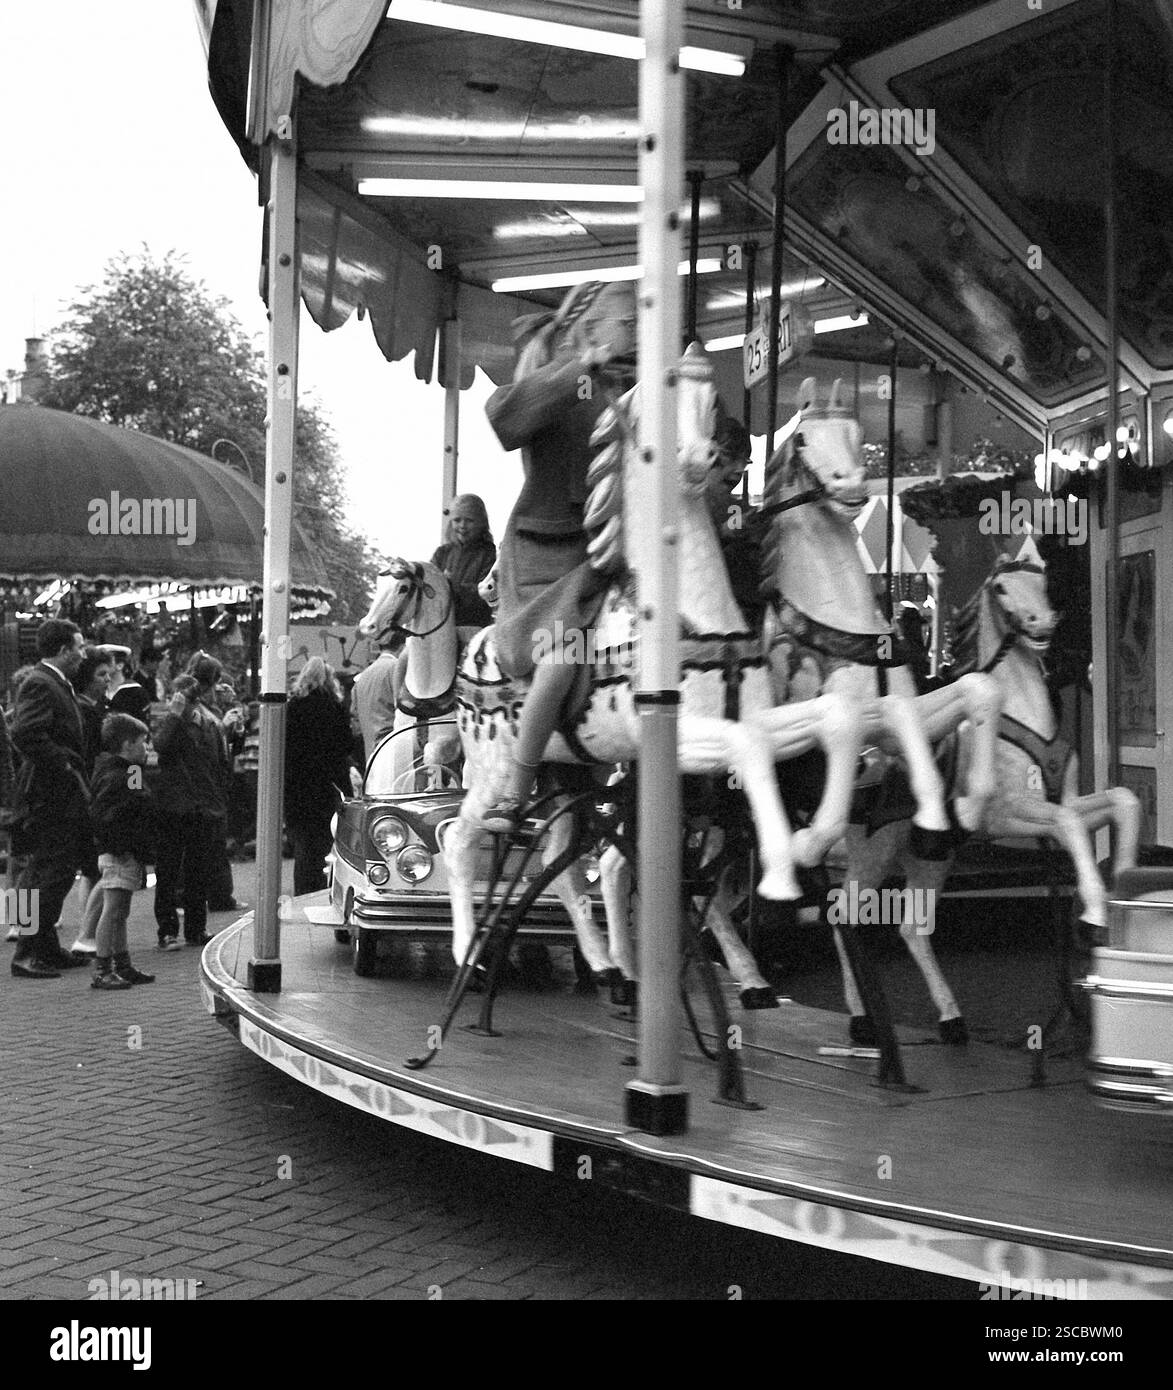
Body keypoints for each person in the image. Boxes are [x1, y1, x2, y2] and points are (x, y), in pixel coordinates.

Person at [480, 278, 637, 832]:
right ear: (593, 327)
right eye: (627, 321)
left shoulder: (617, 390)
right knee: (564, 651)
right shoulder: (568, 380)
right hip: (544, 553)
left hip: (599, 553)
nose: (635, 330)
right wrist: (580, 366)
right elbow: (505, 418)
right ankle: (516, 788)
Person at [8, 619, 91, 978]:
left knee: (53, 872)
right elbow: (25, 733)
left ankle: (44, 948)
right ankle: (27, 953)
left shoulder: (53, 683)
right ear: (62, 650)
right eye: (80, 647)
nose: (83, 654)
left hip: (55, 791)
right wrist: (64, 763)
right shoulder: (40, 683)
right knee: (40, 873)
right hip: (48, 793)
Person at [152, 655, 231, 950]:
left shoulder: (209, 720)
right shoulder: (180, 715)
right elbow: (155, 749)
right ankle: (23, 931)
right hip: (179, 804)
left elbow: (220, 763)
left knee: (193, 871)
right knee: (172, 871)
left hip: (197, 804)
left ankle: (26, 935)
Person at [88, 713, 157, 989]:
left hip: (127, 849)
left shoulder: (128, 771)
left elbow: (140, 801)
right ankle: (103, 968)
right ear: (127, 744)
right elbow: (110, 815)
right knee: (113, 909)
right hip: (120, 851)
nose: (147, 748)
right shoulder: (118, 774)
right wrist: (120, 846)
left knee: (120, 911)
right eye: (143, 742)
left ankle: (122, 964)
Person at [284, 657, 354, 896]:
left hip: (296, 787)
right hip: (325, 786)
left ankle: (302, 892)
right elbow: (343, 748)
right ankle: (322, 892)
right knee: (327, 842)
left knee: (303, 846)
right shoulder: (334, 708)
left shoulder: (292, 707)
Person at [67, 646, 116, 958]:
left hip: (22, 797)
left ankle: (21, 928)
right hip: (28, 799)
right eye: (102, 674)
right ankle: (25, 929)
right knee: (31, 871)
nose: (108, 679)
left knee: (25, 869)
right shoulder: (86, 713)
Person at [704, 415, 766, 630]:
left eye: (745, 462)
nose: (740, 469)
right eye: (731, 458)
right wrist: (722, 532)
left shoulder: (738, 508)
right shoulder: (688, 505)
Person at [430, 494, 497, 629]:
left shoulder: (488, 553)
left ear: (481, 523)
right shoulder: (442, 553)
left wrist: (450, 585)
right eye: (457, 520)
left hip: (473, 626)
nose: (462, 526)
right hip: (440, 626)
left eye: (469, 520)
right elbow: (428, 586)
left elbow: (485, 592)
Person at [353, 634, 404, 765]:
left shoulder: (363, 675)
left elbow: (354, 713)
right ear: (403, 647)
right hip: (394, 750)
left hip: (370, 753)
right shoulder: (398, 668)